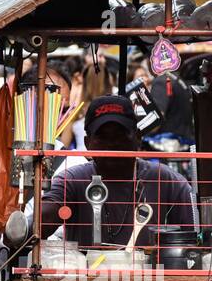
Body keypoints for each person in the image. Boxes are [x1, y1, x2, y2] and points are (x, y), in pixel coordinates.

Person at [39, 94, 196, 246]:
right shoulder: (72, 180)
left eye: (120, 135)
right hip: (88, 272)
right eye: (103, 137)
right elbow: (46, 214)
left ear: (138, 138)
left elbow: (194, 237)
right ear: (88, 143)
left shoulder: (167, 181)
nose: (112, 143)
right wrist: (42, 217)